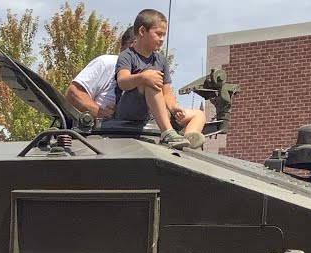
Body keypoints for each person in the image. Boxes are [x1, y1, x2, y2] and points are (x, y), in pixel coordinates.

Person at [110, 9, 207, 149]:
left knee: (198, 114)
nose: (162, 39)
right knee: (150, 81)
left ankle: (188, 137)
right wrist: (143, 77)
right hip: (129, 111)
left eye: (164, 35)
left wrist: (174, 109)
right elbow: (123, 82)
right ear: (142, 31)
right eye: (159, 34)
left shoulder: (160, 61)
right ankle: (168, 133)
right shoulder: (128, 55)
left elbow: (166, 93)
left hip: (154, 114)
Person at [66, 27, 136, 120]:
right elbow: (73, 93)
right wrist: (101, 113)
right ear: (133, 45)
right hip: (100, 133)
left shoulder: (152, 76)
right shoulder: (107, 64)